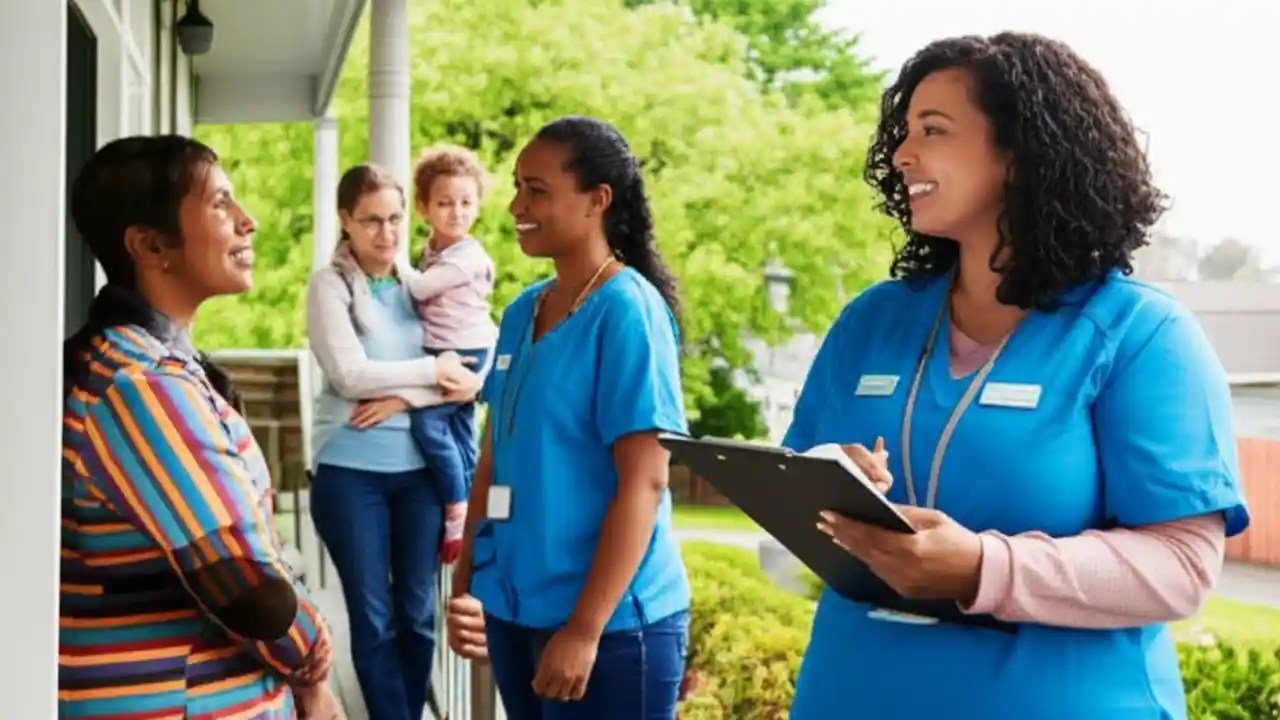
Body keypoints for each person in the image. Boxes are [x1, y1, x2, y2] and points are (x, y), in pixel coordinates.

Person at [779, 33, 1252, 719]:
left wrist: (982, 567)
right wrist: (829, 475)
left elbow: (1181, 567)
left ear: (1022, 156)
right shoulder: (871, 321)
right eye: (903, 132)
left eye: (933, 131)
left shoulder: (1142, 336)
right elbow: (797, 474)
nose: (902, 155)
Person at [59, 135, 341, 719]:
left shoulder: (141, 365)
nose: (248, 221)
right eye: (220, 203)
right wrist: (313, 663)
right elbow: (241, 580)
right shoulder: (139, 387)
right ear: (150, 244)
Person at [446, 115, 691, 719]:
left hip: (608, 630)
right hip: (512, 612)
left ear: (597, 201)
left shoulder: (627, 311)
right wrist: (468, 579)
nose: (515, 206)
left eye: (537, 190)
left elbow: (646, 480)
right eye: (516, 187)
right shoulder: (522, 311)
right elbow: (494, 455)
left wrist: (584, 629)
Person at [305, 163, 483, 720]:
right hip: (349, 473)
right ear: (345, 221)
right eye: (371, 220)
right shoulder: (329, 286)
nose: (386, 232)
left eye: (396, 218)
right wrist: (433, 374)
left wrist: (409, 396)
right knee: (373, 615)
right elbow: (351, 377)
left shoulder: (423, 285)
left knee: (417, 614)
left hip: (420, 478)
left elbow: (473, 377)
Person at [402, 143, 500, 564]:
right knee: (459, 432)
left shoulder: (467, 256)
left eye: (466, 202)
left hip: (463, 352)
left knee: (428, 426)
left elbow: (421, 289)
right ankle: (476, 505)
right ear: (424, 207)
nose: (456, 212)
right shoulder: (433, 250)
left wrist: (390, 260)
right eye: (445, 203)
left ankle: (457, 508)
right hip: (451, 347)